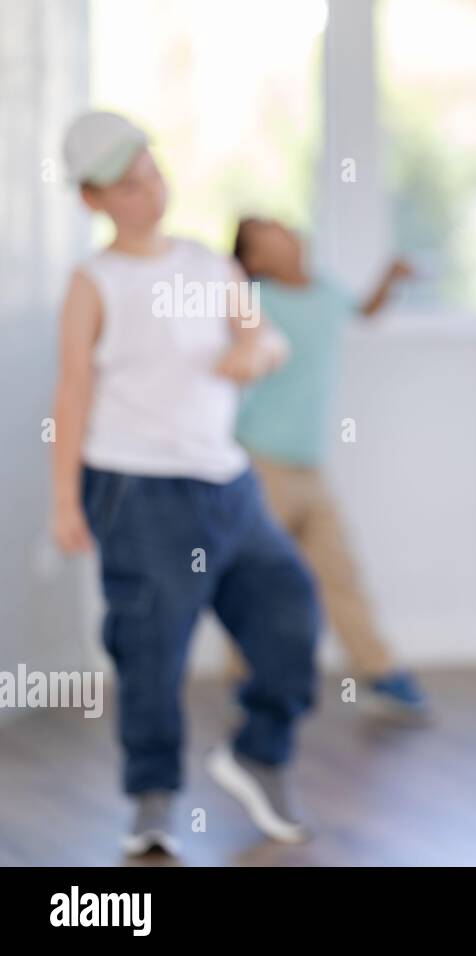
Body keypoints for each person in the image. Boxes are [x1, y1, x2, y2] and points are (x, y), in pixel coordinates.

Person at [51, 111, 319, 856]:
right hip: (137, 492)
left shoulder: (208, 265)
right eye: (125, 187)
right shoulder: (94, 282)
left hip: (226, 485)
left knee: (289, 611)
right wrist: (66, 500)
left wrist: (252, 355)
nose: (146, 192)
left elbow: (263, 336)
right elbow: (71, 392)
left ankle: (258, 754)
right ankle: (152, 799)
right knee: (151, 650)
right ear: (93, 200)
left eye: (150, 174)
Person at [229, 216, 432, 725]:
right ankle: (248, 682)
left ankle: (381, 673)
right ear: (253, 262)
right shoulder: (254, 303)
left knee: (340, 572)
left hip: (310, 465)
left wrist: (390, 276)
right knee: (257, 577)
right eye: (267, 234)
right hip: (261, 462)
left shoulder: (325, 292)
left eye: (283, 225)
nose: (287, 232)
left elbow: (364, 310)